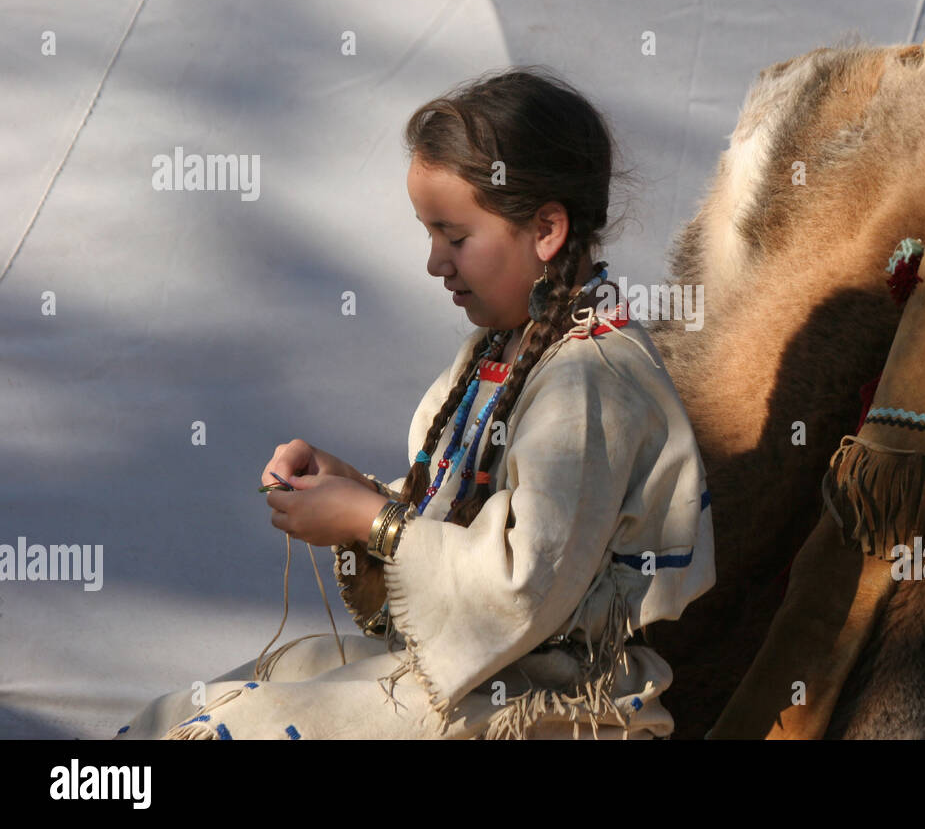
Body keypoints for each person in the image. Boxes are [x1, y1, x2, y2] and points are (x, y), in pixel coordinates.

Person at [114, 67, 715, 740]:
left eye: (454, 238)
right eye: (431, 236)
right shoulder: (503, 352)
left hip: (558, 707)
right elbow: (464, 515)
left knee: (244, 731)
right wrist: (353, 493)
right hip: (480, 677)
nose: (436, 262)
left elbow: (522, 588)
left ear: (546, 230)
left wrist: (372, 522)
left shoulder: (593, 381)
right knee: (192, 709)